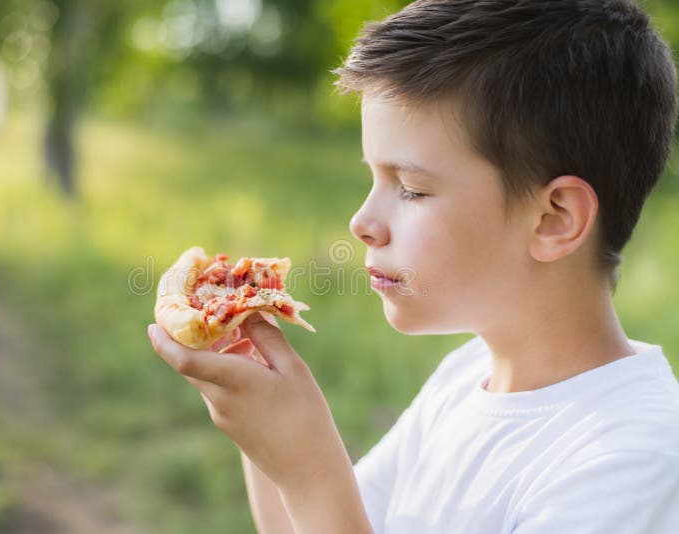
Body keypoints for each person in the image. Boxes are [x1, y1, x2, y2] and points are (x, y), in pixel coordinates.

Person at [147, 0, 679, 532]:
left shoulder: (630, 460)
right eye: (373, 179)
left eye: (412, 189)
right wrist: (270, 444)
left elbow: (323, 507)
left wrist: (311, 471)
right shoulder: (466, 376)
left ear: (554, 219)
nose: (361, 222)